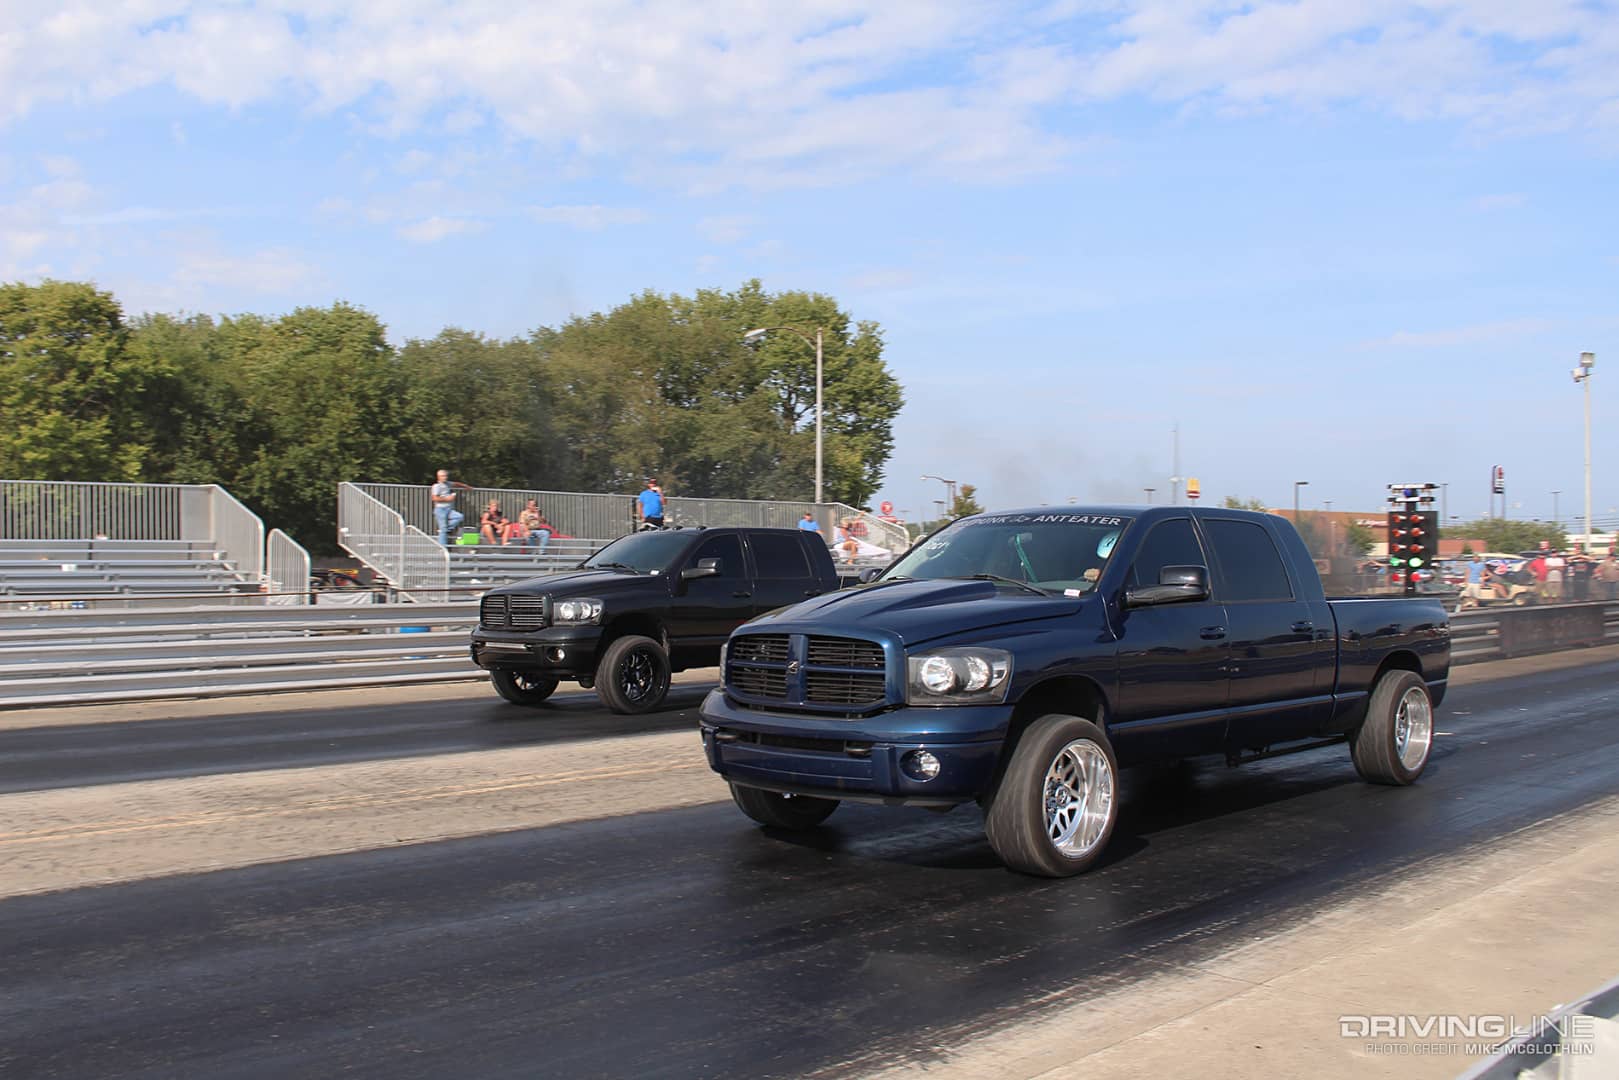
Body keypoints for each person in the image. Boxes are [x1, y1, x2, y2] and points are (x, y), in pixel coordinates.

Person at [431, 469, 466, 546]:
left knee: (459, 517)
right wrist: (448, 499)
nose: (445, 477)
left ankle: (446, 529)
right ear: (438, 477)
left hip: (448, 509)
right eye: (443, 476)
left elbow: (456, 484)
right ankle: (442, 548)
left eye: (446, 476)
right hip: (440, 509)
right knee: (443, 529)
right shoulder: (436, 486)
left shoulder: (447, 484)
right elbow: (434, 498)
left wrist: (466, 486)